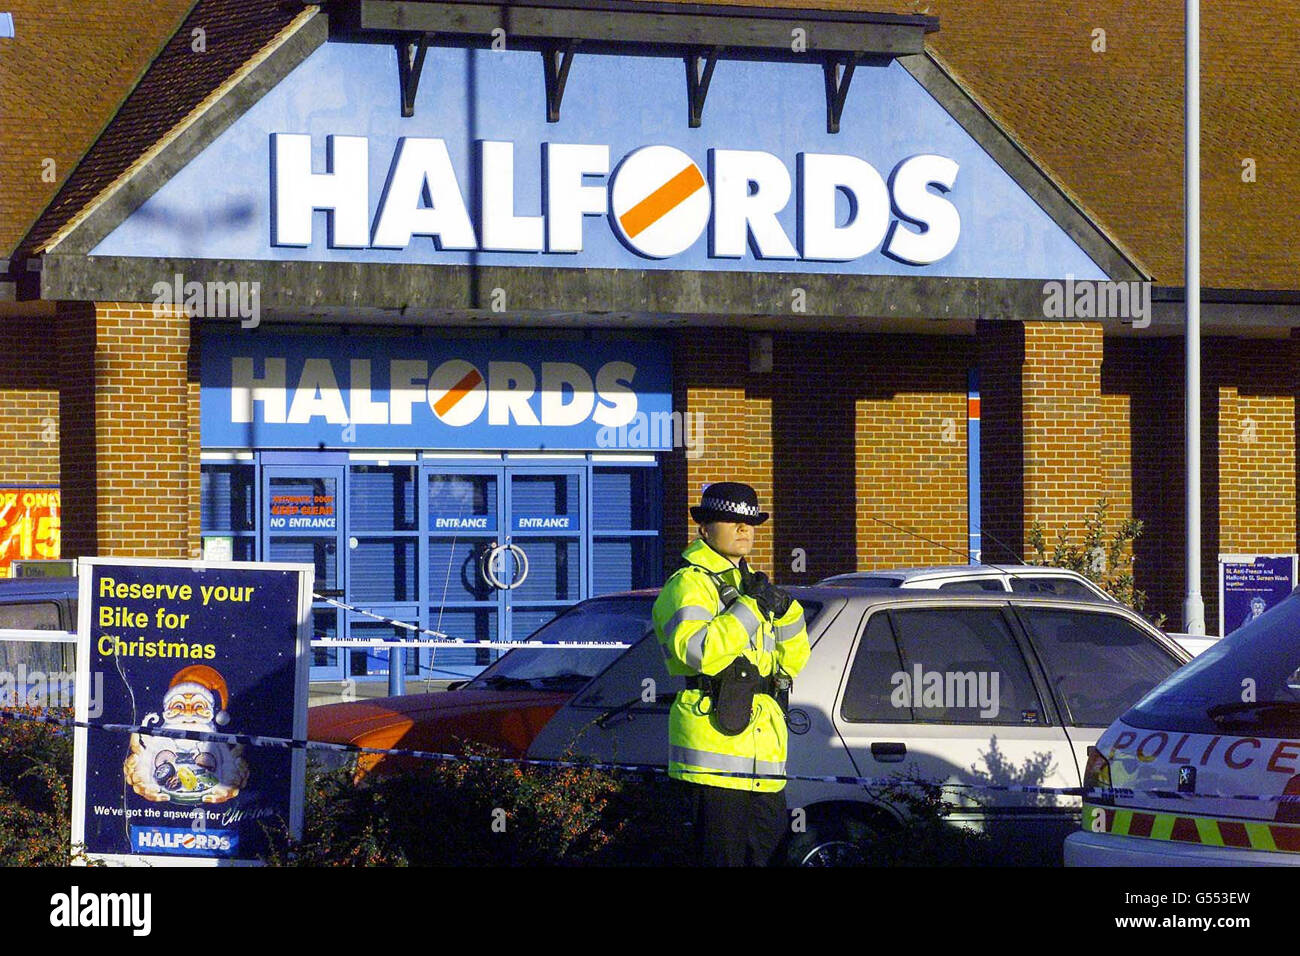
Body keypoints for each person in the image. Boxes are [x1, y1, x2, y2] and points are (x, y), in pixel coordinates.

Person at [653, 482, 810, 866]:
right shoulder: (689, 583)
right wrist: (751, 608)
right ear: (704, 528)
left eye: (750, 521)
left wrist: (787, 611)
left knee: (769, 858)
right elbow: (697, 651)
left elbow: (792, 662)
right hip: (714, 757)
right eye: (732, 519)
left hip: (763, 756)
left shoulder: (750, 583)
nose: (744, 528)